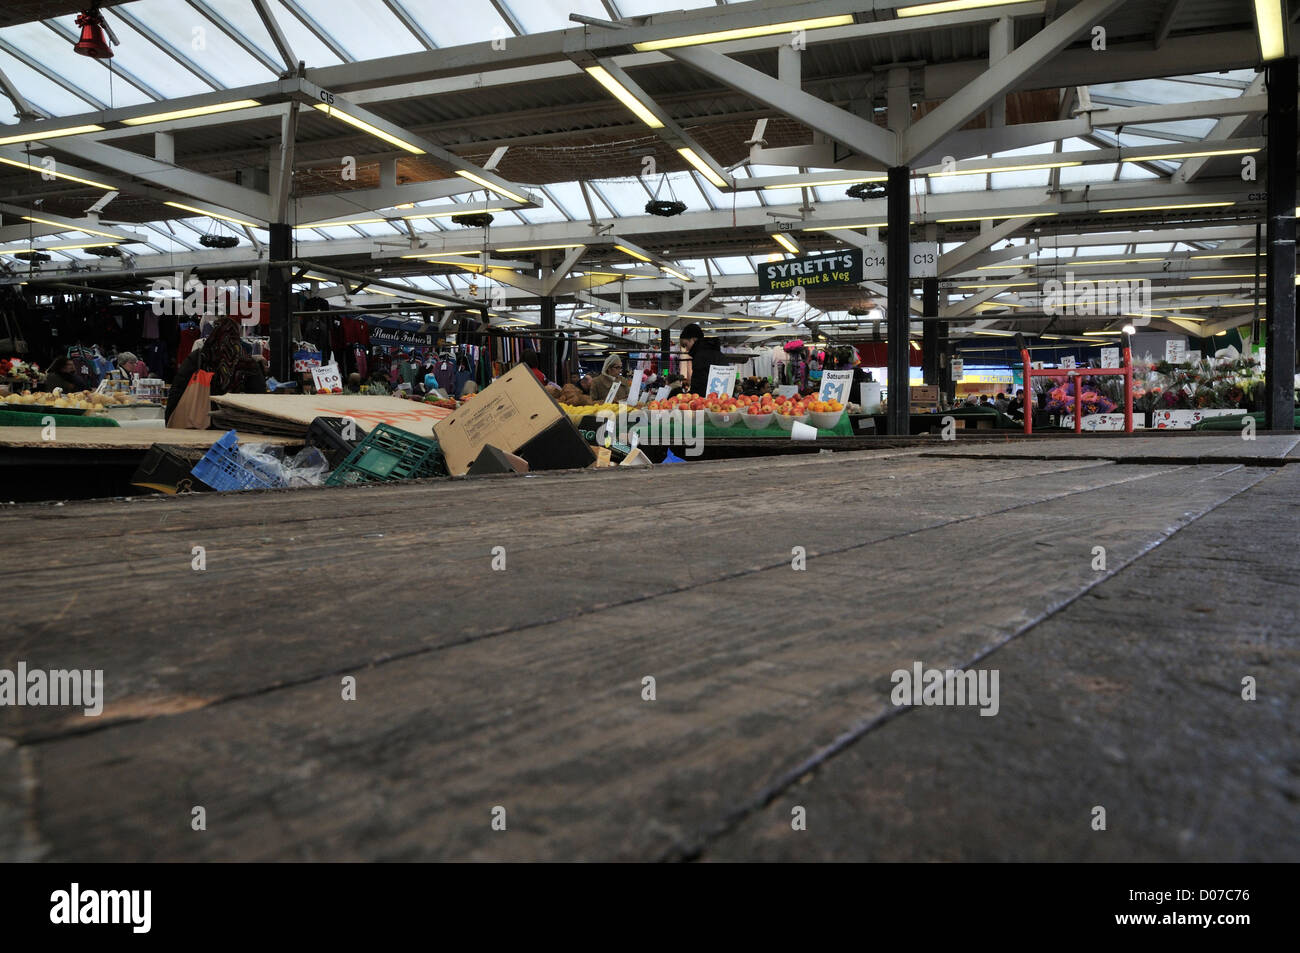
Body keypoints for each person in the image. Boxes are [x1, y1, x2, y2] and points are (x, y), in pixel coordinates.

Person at [164, 316, 263, 423]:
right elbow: (260, 395)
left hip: (200, 421)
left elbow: (178, 387)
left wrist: (170, 416)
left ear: (214, 333)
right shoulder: (247, 363)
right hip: (237, 424)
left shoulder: (200, 357)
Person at [678, 322, 724, 396]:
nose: (686, 349)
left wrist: (687, 396)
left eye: (686, 345)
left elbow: (698, 386)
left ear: (694, 339)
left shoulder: (700, 356)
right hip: (721, 396)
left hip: (705, 400)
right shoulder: (717, 353)